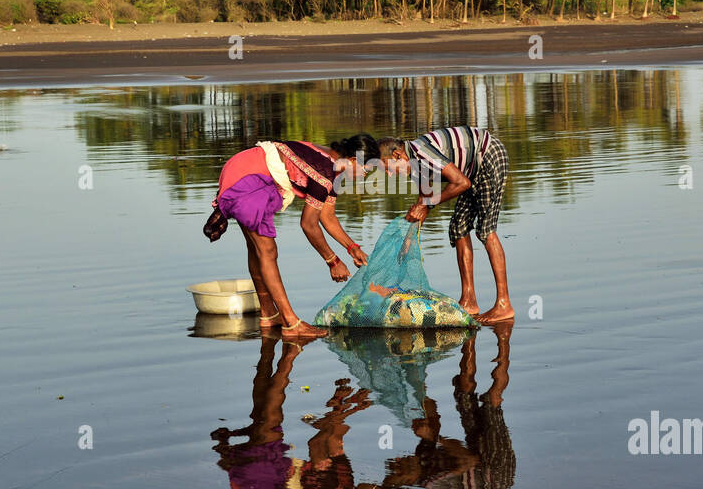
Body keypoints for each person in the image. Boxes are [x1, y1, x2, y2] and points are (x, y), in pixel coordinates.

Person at [205, 133, 376, 340]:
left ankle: (269, 314)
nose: (365, 175)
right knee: (267, 250)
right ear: (352, 161)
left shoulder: (330, 164)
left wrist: (352, 248)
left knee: (257, 249)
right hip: (249, 178)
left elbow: (327, 216)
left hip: (242, 167)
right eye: (366, 169)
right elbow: (308, 224)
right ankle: (291, 323)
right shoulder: (325, 173)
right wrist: (333, 261)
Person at [378, 127, 514, 324]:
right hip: (470, 170)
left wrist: (427, 204)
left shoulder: (422, 151)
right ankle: (469, 300)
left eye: (388, 167)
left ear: (398, 155)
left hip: (488, 155)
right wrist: (409, 239)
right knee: (458, 228)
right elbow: (424, 200)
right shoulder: (415, 166)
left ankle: (504, 304)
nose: (390, 175)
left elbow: (461, 183)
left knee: (485, 230)